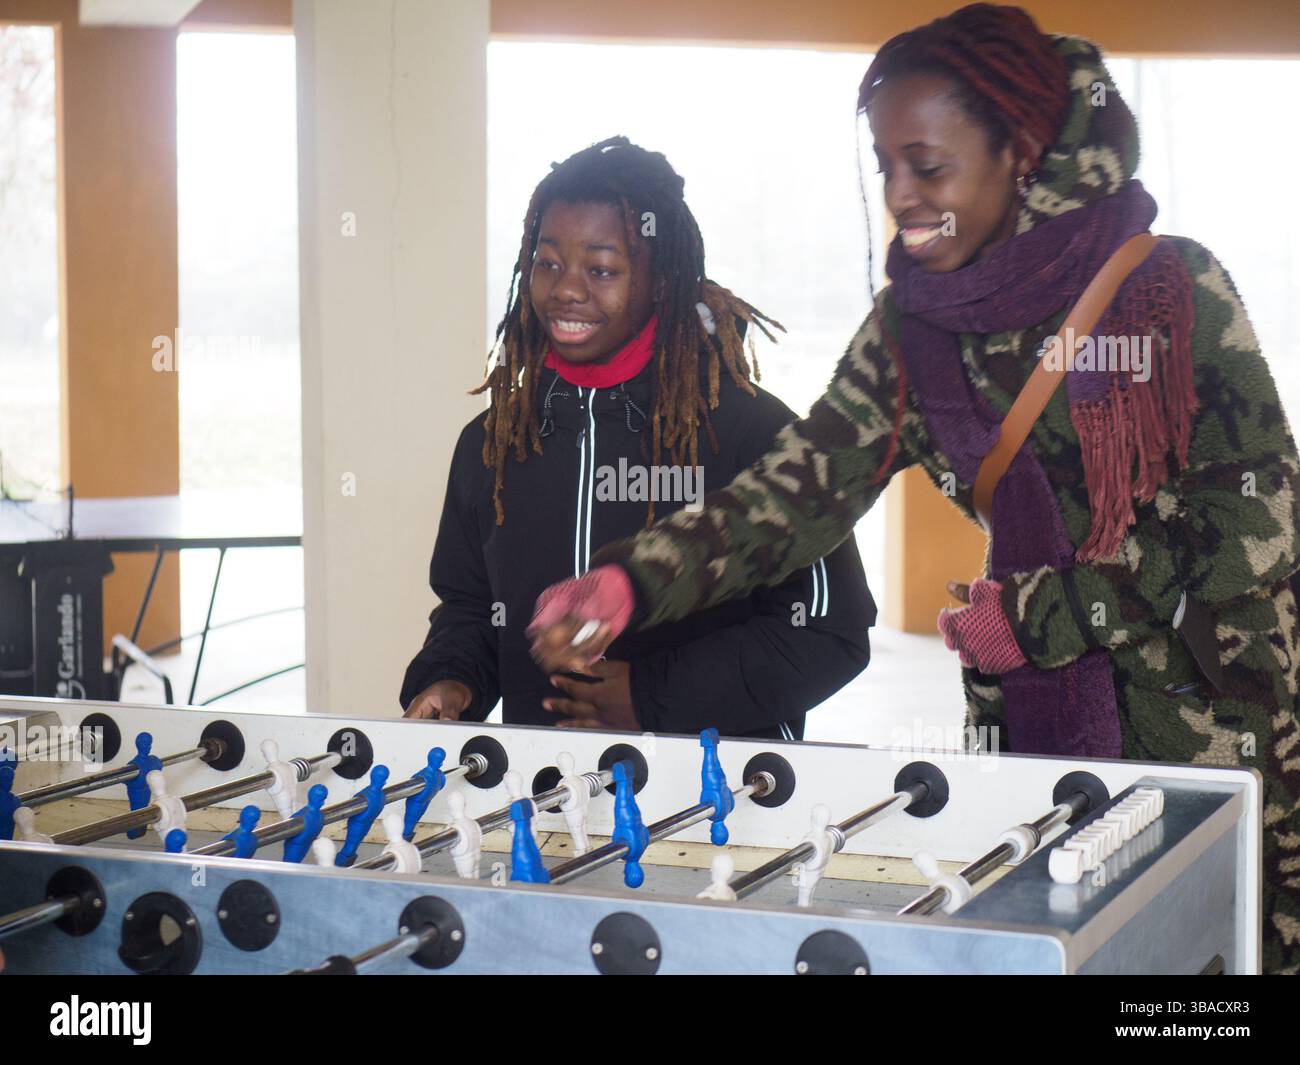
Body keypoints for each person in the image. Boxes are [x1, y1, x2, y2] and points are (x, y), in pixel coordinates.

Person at [528, 8, 1300, 973]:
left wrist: (1036, 617)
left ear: (1018, 151)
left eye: (927, 167)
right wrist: (630, 582)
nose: (900, 195)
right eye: (885, 165)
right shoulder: (912, 330)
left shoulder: (1173, 288)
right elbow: (797, 488)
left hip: (1219, 737)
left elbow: (1252, 538)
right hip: (1042, 742)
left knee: (1200, 989)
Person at [401, 137, 876, 740]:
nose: (566, 290)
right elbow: (470, 607)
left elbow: (829, 633)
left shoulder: (755, 434)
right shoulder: (492, 444)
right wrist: (450, 681)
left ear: (662, 280)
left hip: (719, 808)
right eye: (547, 263)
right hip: (542, 804)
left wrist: (651, 698)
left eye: (601, 268)